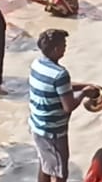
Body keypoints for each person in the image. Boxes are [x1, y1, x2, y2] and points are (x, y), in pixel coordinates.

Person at [30, 29, 95, 182]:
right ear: (56, 49)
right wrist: (84, 93)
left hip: (37, 126)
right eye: (63, 45)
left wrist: (84, 86)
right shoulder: (60, 74)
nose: (65, 48)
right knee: (60, 172)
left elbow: (60, 87)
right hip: (54, 132)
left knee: (45, 164)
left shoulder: (37, 64)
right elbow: (69, 106)